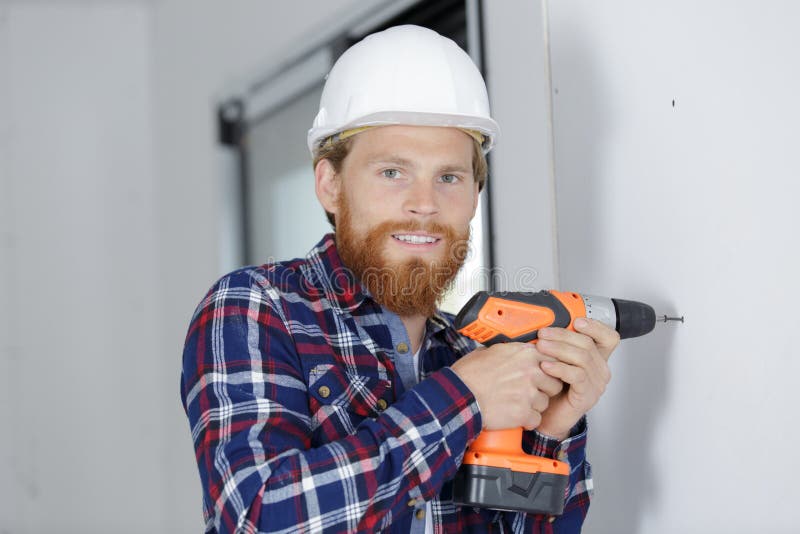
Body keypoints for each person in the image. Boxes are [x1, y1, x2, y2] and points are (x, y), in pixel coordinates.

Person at [181, 25, 619, 533]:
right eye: (393, 172)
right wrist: (464, 400)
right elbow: (257, 517)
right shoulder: (255, 307)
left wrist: (547, 435)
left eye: (449, 177)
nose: (425, 203)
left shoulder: (473, 353)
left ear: (475, 197)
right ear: (330, 185)